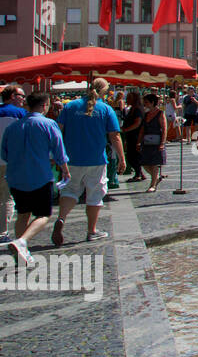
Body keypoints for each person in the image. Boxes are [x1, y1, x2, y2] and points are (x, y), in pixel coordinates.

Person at [1, 93, 69, 268]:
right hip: (40, 176)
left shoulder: (13, 127)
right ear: (45, 105)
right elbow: (59, 152)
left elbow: (4, 154)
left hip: (16, 177)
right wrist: (65, 171)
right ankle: (22, 241)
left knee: (23, 214)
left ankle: (22, 254)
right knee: (44, 215)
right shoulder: (48, 124)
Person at [55, 78, 125, 243]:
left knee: (70, 191)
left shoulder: (70, 106)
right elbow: (115, 136)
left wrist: (57, 154)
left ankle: (61, 219)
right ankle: (91, 231)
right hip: (96, 159)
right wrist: (122, 159)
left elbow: (58, 131)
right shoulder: (106, 109)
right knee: (95, 194)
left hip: (71, 158)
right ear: (105, 91)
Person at [0, 83, 28, 239]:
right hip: (10, 161)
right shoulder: (21, 114)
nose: (23, 99)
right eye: (21, 96)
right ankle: (2, 233)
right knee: (7, 198)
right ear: (12, 96)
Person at [138, 93, 168, 193]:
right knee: (145, 163)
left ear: (152, 102)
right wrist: (139, 141)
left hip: (156, 142)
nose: (144, 104)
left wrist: (162, 143)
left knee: (154, 164)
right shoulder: (146, 114)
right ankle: (156, 178)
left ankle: (153, 184)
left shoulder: (160, 114)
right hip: (146, 142)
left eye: (146, 102)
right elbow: (142, 129)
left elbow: (164, 129)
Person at [121, 90, 144, 182]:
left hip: (135, 136)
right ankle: (140, 173)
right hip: (131, 135)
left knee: (132, 156)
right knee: (133, 156)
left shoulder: (137, 109)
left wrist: (125, 129)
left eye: (129, 98)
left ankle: (138, 174)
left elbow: (137, 123)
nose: (127, 99)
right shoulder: (133, 108)